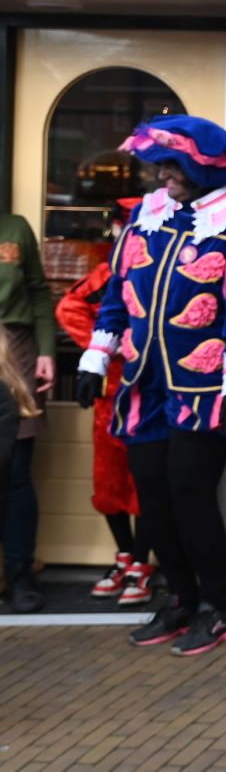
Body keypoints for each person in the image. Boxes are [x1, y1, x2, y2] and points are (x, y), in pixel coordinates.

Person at [73, 115, 226, 653]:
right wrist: (95, 359)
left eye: (173, 165)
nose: (163, 174)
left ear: (203, 167)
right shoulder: (149, 216)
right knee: (154, 495)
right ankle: (180, 599)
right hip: (146, 382)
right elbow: (119, 294)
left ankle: (216, 605)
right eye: (162, 164)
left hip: (207, 386)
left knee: (190, 494)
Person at [55, 198, 150, 604]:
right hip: (113, 395)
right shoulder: (109, 271)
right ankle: (127, 558)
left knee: (149, 483)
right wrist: (104, 353)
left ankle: (142, 564)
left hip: (154, 393)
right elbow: (69, 307)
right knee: (109, 482)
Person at [0, 208, 57, 613]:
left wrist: (47, 352)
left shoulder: (15, 227)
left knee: (16, 470)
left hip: (15, 348)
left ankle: (19, 572)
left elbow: (39, 292)